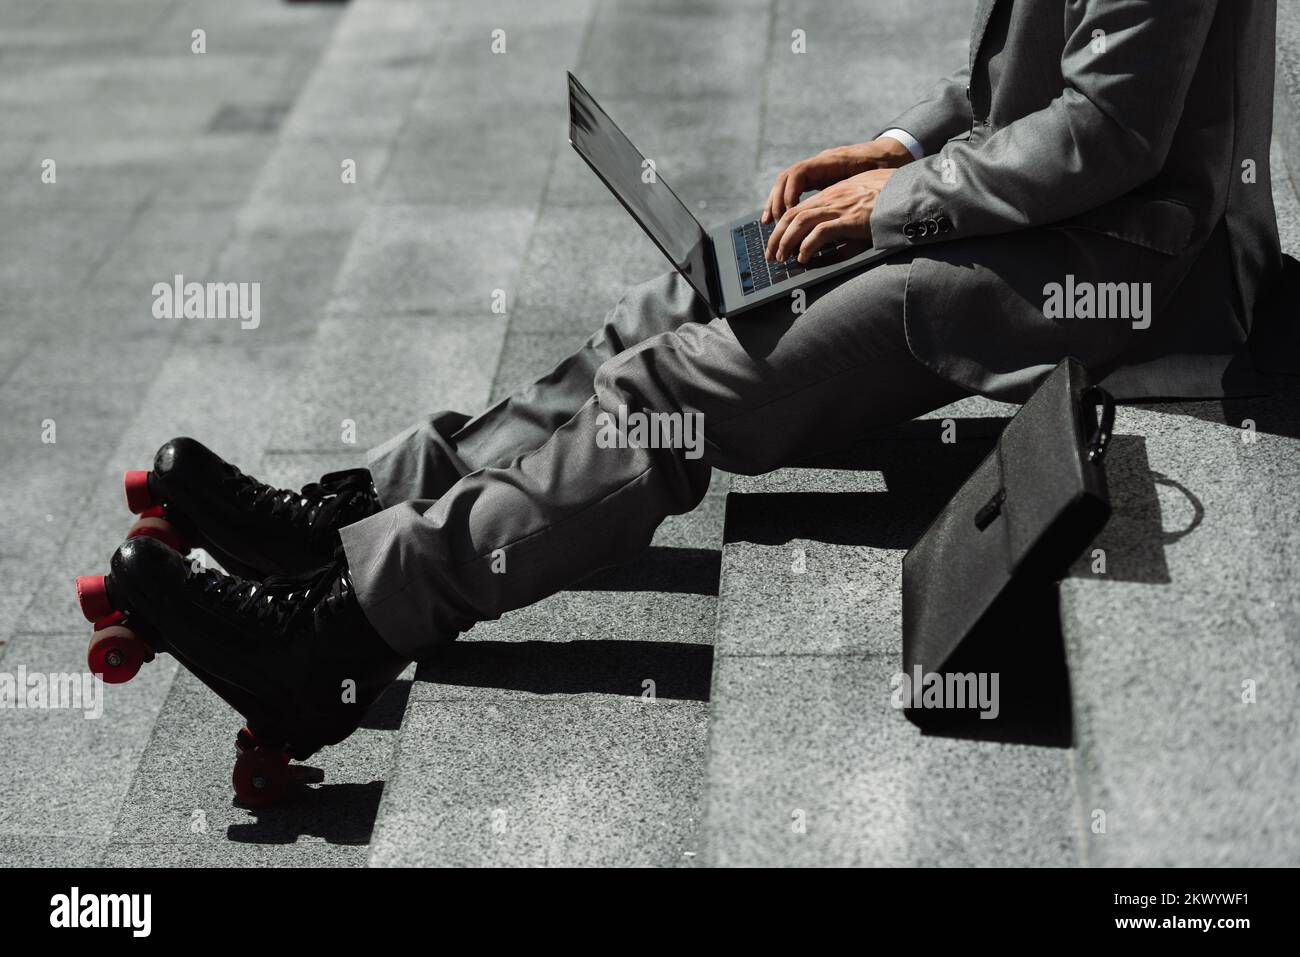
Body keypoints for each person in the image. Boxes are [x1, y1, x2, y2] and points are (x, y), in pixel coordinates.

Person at [88, 0, 1283, 771]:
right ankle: (352, 520)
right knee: (694, 289)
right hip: (1024, 219)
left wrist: (896, 206)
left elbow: (1109, 135)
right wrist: (898, 151)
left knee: (686, 385)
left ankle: (341, 641)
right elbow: (1007, 83)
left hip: (1131, 270)